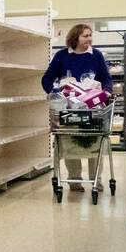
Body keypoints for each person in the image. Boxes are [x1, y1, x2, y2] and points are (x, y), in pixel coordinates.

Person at [42, 23, 113, 185]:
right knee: (70, 142)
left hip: (93, 107)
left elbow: (106, 78)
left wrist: (107, 91)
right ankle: (74, 179)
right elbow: (47, 79)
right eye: (85, 36)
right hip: (68, 107)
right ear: (75, 38)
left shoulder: (96, 55)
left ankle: (96, 179)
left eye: (90, 35)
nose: (89, 39)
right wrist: (53, 92)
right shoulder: (61, 56)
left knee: (94, 142)